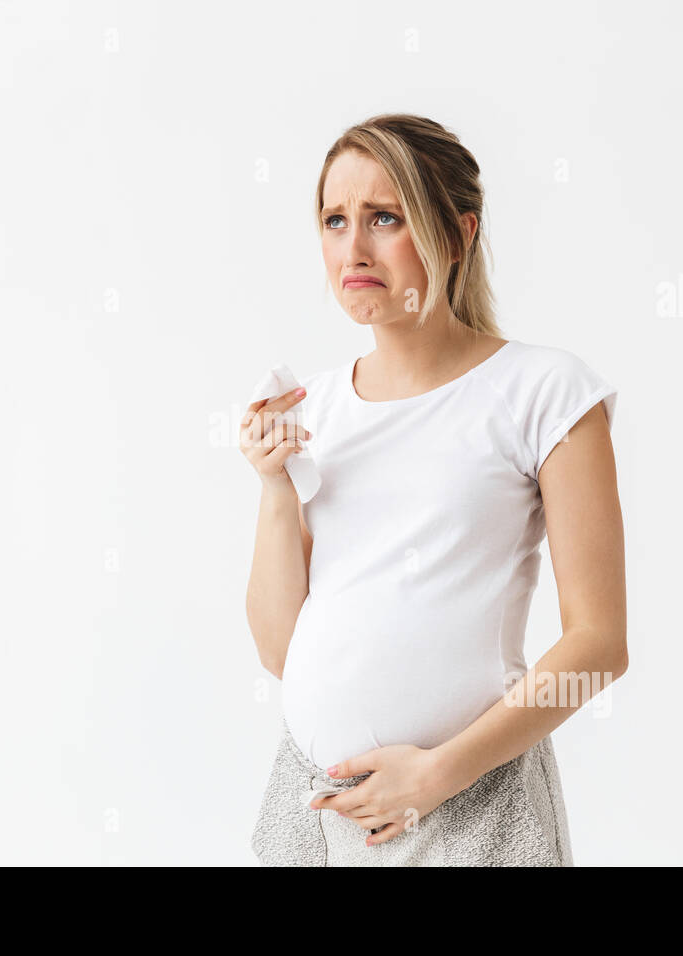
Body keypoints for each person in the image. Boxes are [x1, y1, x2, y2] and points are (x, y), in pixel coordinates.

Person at [239, 114, 627, 866]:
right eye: (334, 220)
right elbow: (281, 649)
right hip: (317, 814)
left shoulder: (545, 391)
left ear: (457, 234)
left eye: (385, 218)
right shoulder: (314, 410)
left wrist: (437, 774)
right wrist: (275, 488)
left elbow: (598, 644)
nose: (353, 249)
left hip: (469, 813)